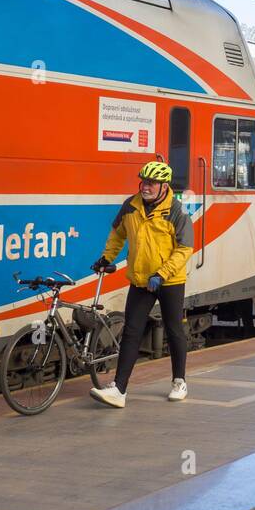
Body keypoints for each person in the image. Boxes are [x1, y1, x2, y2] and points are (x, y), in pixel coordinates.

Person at [89, 160, 193, 409]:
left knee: (174, 329)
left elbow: (184, 249)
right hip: (140, 279)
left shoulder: (176, 212)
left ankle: (179, 381)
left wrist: (162, 273)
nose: (145, 187)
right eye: (143, 182)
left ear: (163, 186)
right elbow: (118, 234)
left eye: (151, 183)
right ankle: (119, 390)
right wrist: (107, 257)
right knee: (132, 331)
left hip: (169, 280)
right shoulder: (131, 206)